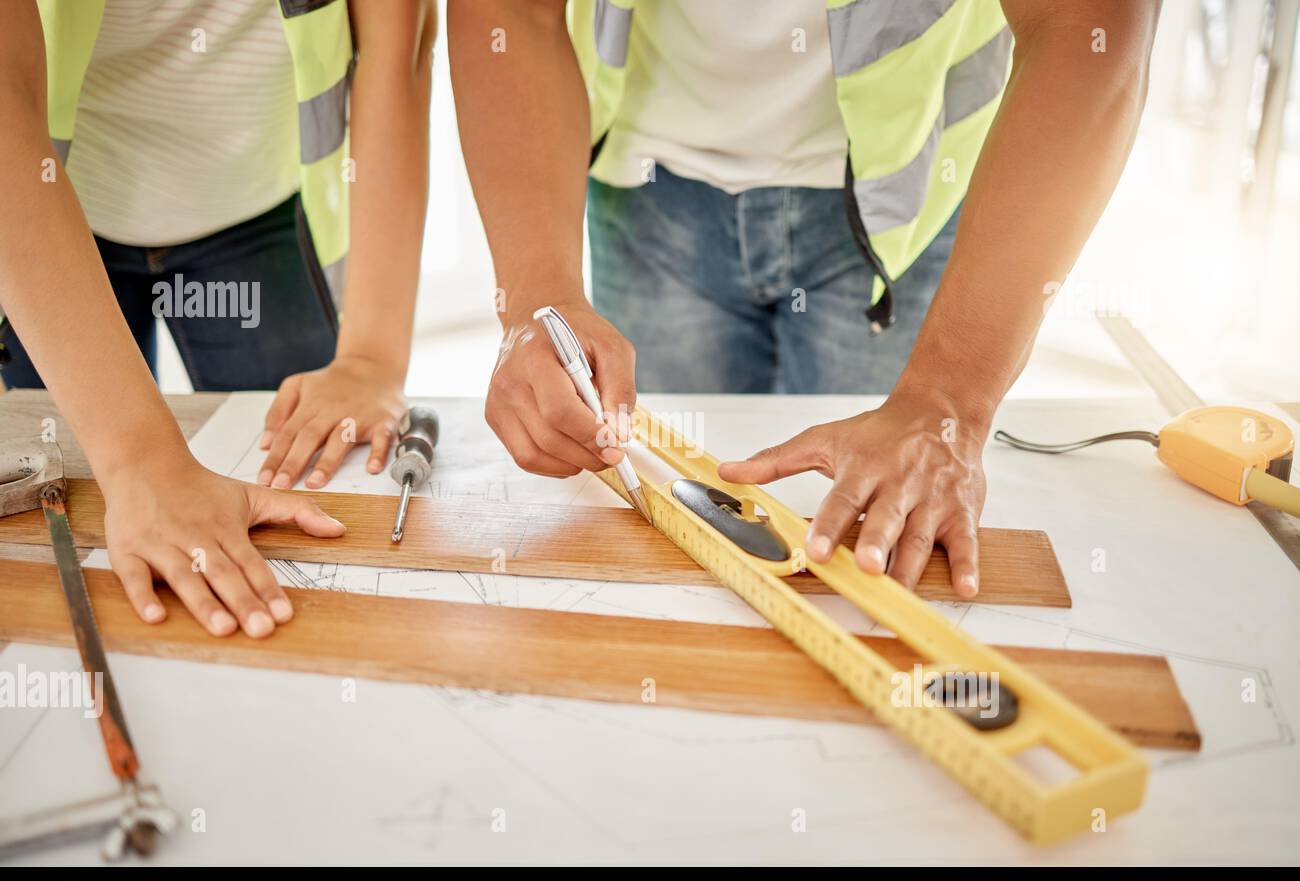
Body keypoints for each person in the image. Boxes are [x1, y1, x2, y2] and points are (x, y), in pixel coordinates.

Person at [449, 0, 1158, 598]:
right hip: (647, 187)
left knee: (881, 527)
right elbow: (511, 13)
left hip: (905, 194)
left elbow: (1089, 26)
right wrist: (537, 296)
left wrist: (948, 398)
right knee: (672, 555)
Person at [0, 0, 436, 637]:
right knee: (77, 490)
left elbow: (396, 53)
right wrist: (140, 460)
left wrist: (371, 358)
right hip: (55, 212)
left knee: (301, 455)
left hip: (255, 209)